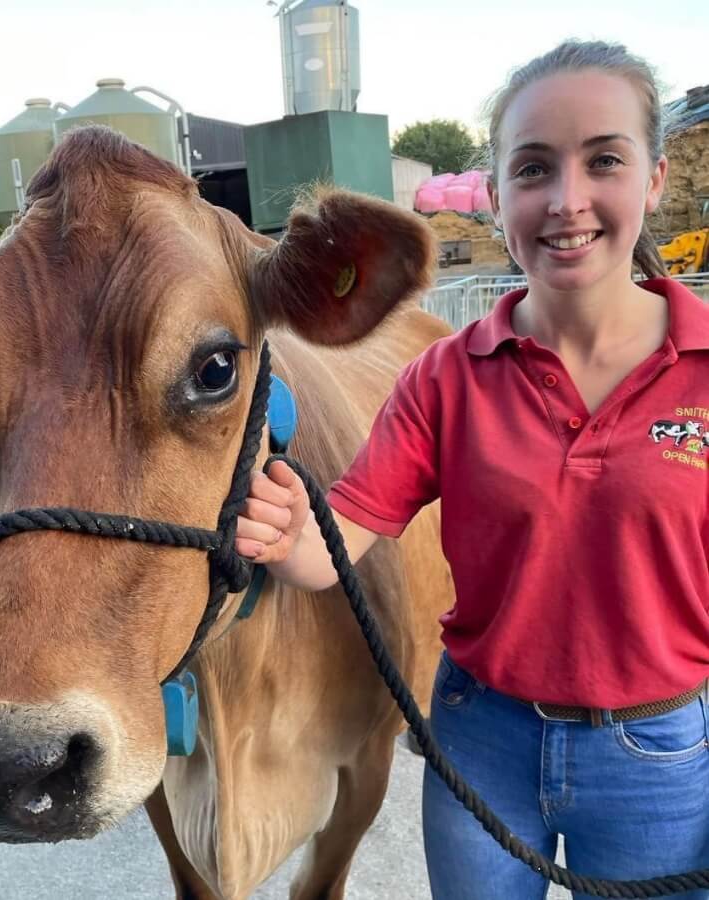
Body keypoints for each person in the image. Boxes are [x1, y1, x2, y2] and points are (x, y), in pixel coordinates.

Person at [236, 40, 709, 900]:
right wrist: (284, 527)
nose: (567, 201)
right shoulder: (447, 376)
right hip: (479, 738)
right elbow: (337, 539)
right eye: (533, 169)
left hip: (658, 752)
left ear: (654, 180)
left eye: (604, 159)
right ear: (496, 198)